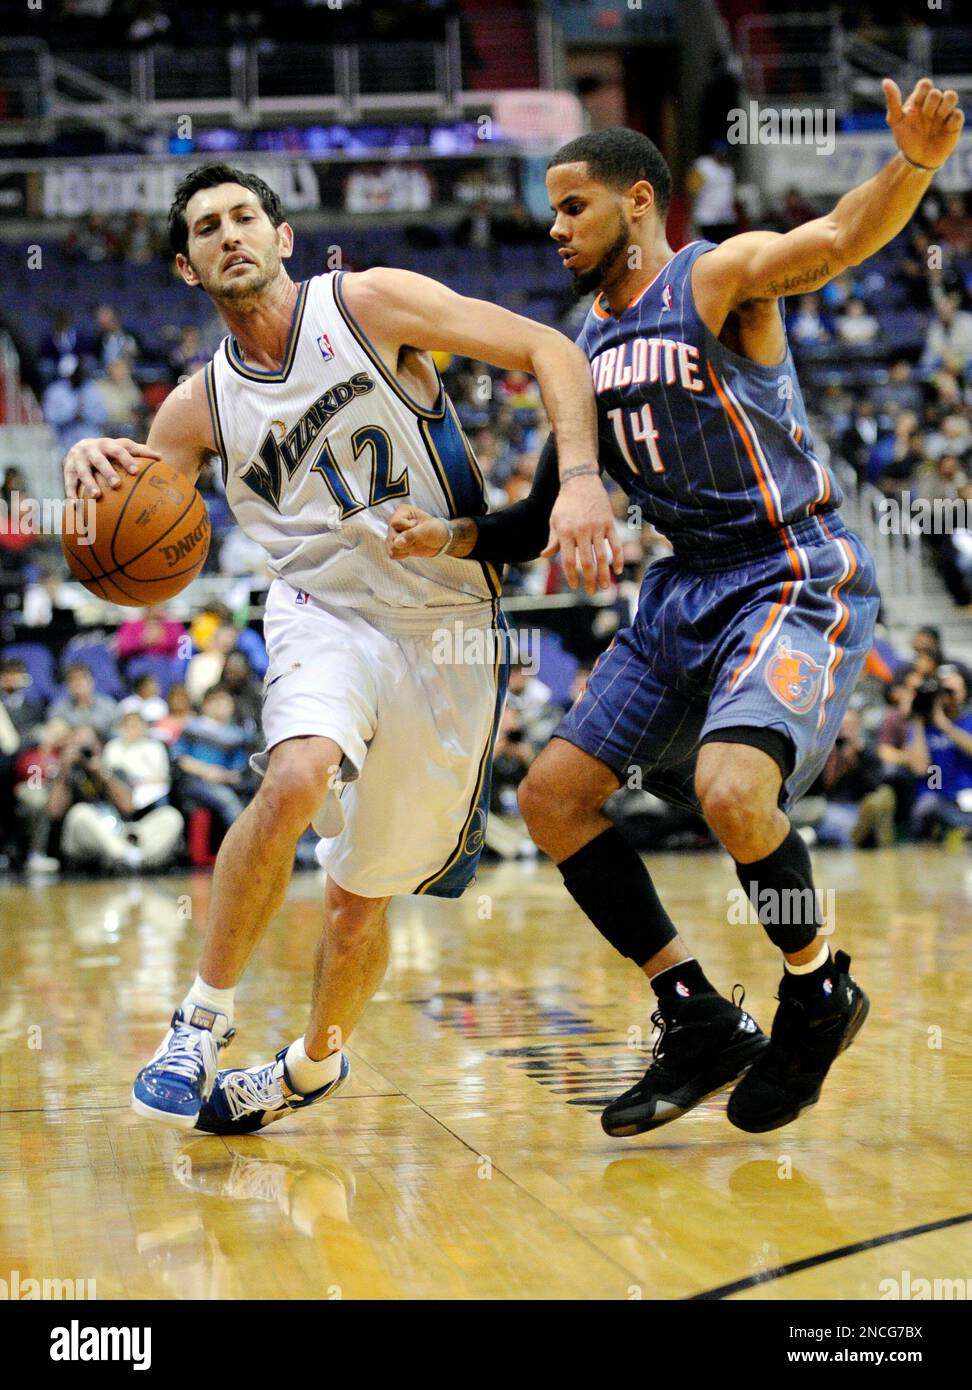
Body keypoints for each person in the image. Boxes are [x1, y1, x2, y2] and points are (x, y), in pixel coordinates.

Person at [387, 78, 965, 1137]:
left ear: (641, 202)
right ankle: (693, 1013)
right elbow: (554, 506)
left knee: (733, 790)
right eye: (551, 210)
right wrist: (457, 537)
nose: (554, 226)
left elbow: (838, 235)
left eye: (575, 206)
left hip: (789, 566)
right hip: (682, 585)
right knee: (553, 799)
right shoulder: (581, 348)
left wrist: (915, 164)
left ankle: (816, 981)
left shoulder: (715, 277)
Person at [63, 160, 613, 1133]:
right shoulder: (195, 409)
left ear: (283, 238)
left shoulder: (369, 304)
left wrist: (577, 480)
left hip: (445, 625)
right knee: (296, 774)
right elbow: (142, 530)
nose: (227, 233)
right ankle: (202, 1017)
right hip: (321, 611)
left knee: (360, 903)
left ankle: (313, 1065)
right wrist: (86, 467)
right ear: (186, 268)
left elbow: (549, 350)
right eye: (204, 228)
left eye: (244, 216)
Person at [48, 662, 118, 742]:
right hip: (69, 748)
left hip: (102, 748)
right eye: (73, 679)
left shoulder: (108, 705)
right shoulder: (59, 708)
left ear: (92, 680)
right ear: (67, 685)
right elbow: (52, 734)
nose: (78, 683)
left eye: (83, 678)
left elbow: (116, 734)